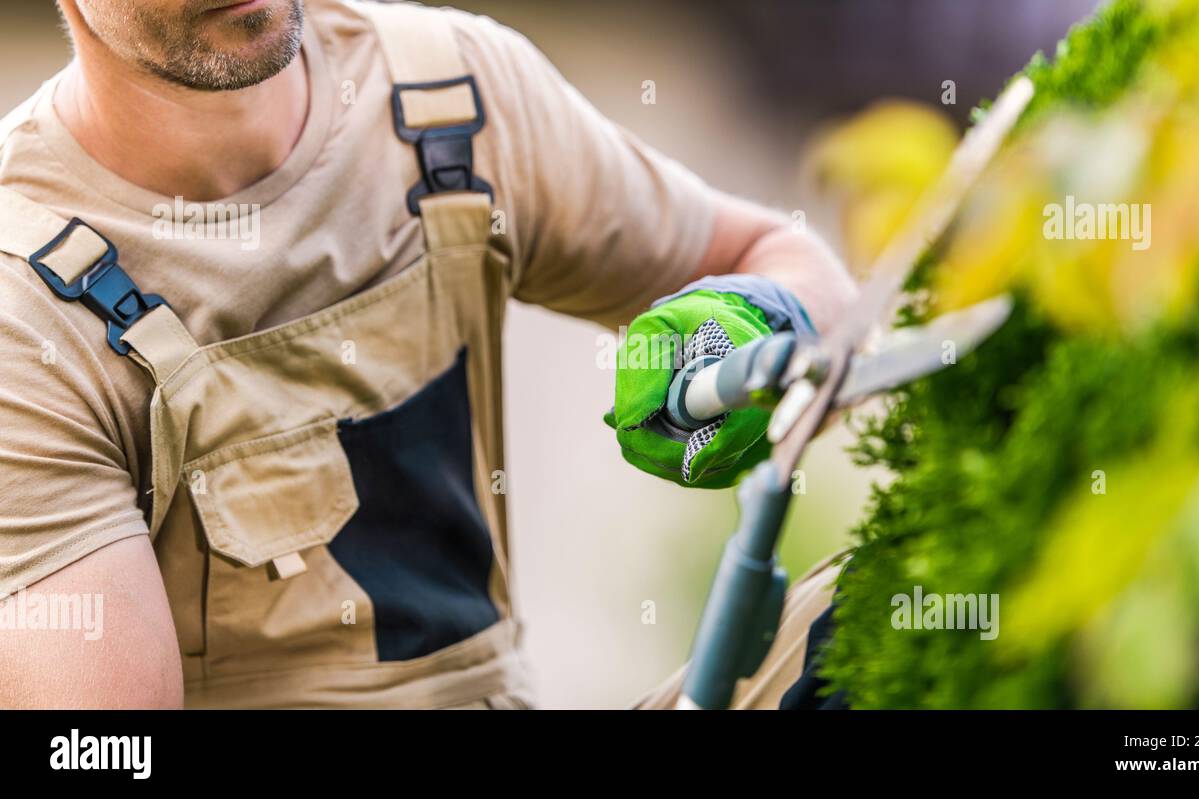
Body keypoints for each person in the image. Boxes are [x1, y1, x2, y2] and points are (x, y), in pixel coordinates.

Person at [0, 0, 855, 708]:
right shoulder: (22, 307)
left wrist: (758, 330)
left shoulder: (449, 95)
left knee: (882, 612)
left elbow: (780, 259)